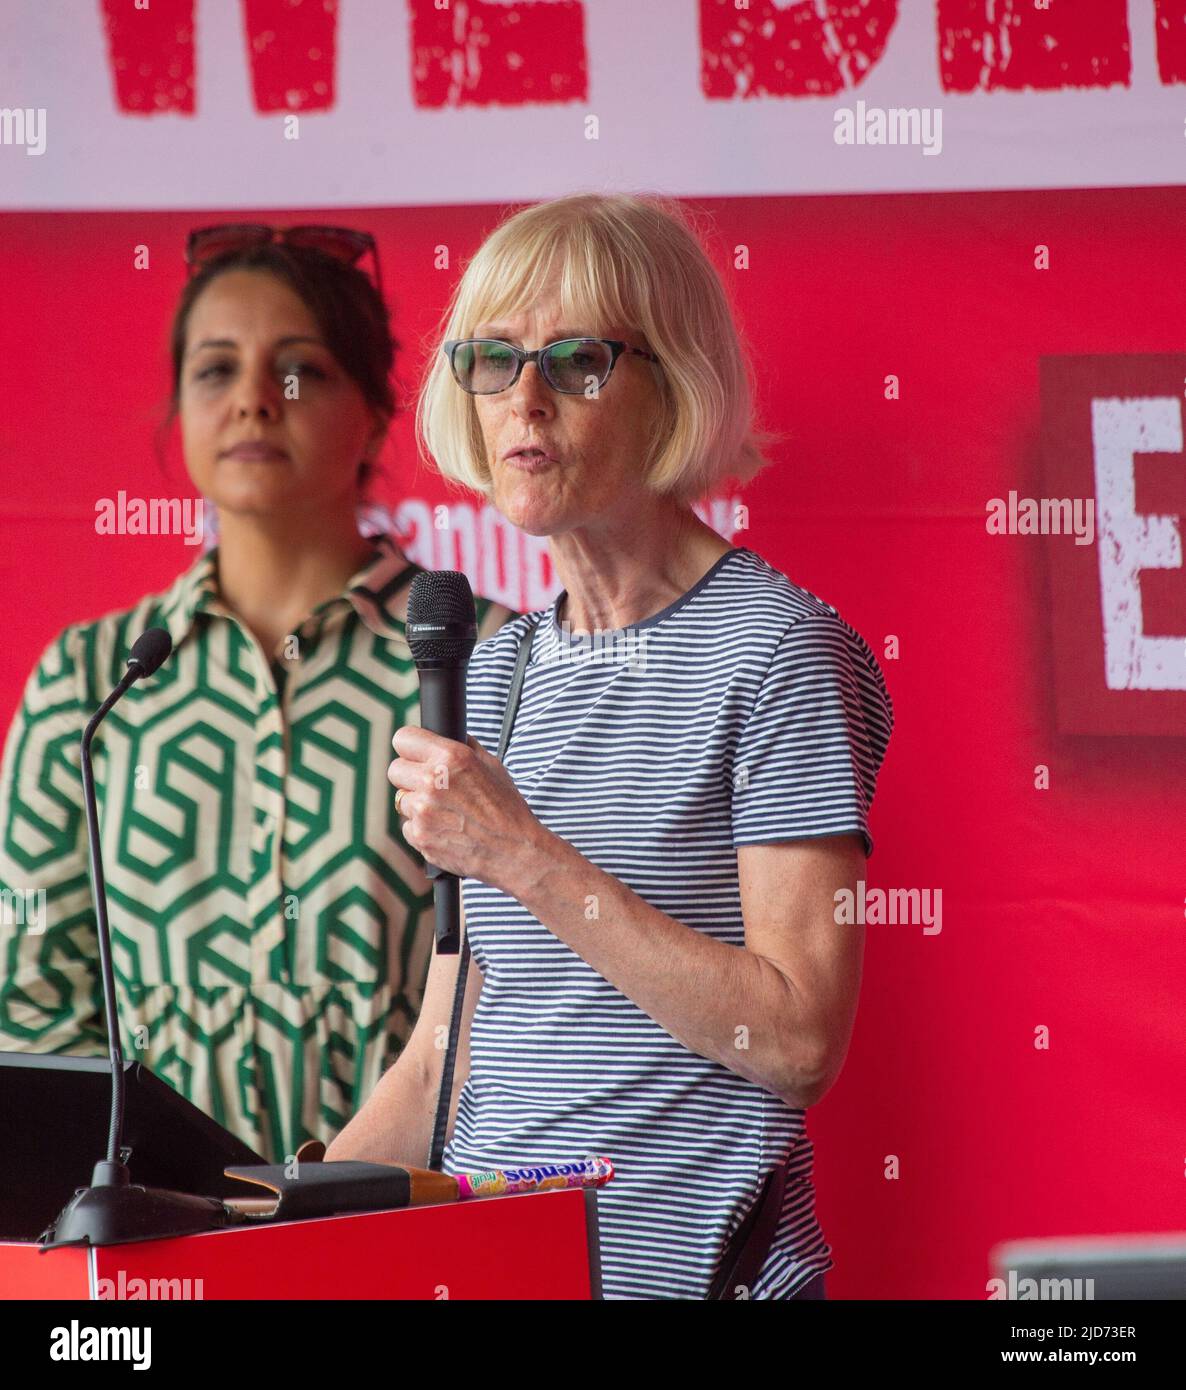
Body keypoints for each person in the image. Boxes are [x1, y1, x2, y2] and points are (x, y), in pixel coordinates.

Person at [327, 192, 894, 1299]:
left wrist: (525, 855)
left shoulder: (779, 651)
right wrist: (267, 1213)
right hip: (495, 1279)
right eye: (490, 360)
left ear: (675, 382)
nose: (522, 399)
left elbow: (796, 1039)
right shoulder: (491, 670)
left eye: (575, 360)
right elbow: (448, 1048)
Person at [0, 225, 516, 1161]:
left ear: (374, 407)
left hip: (423, 1220)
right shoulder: (88, 680)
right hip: (159, 1232)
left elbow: (542, 986)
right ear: (180, 409)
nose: (251, 400)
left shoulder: (483, 658)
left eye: (300, 371)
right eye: (215, 370)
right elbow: (37, 1002)